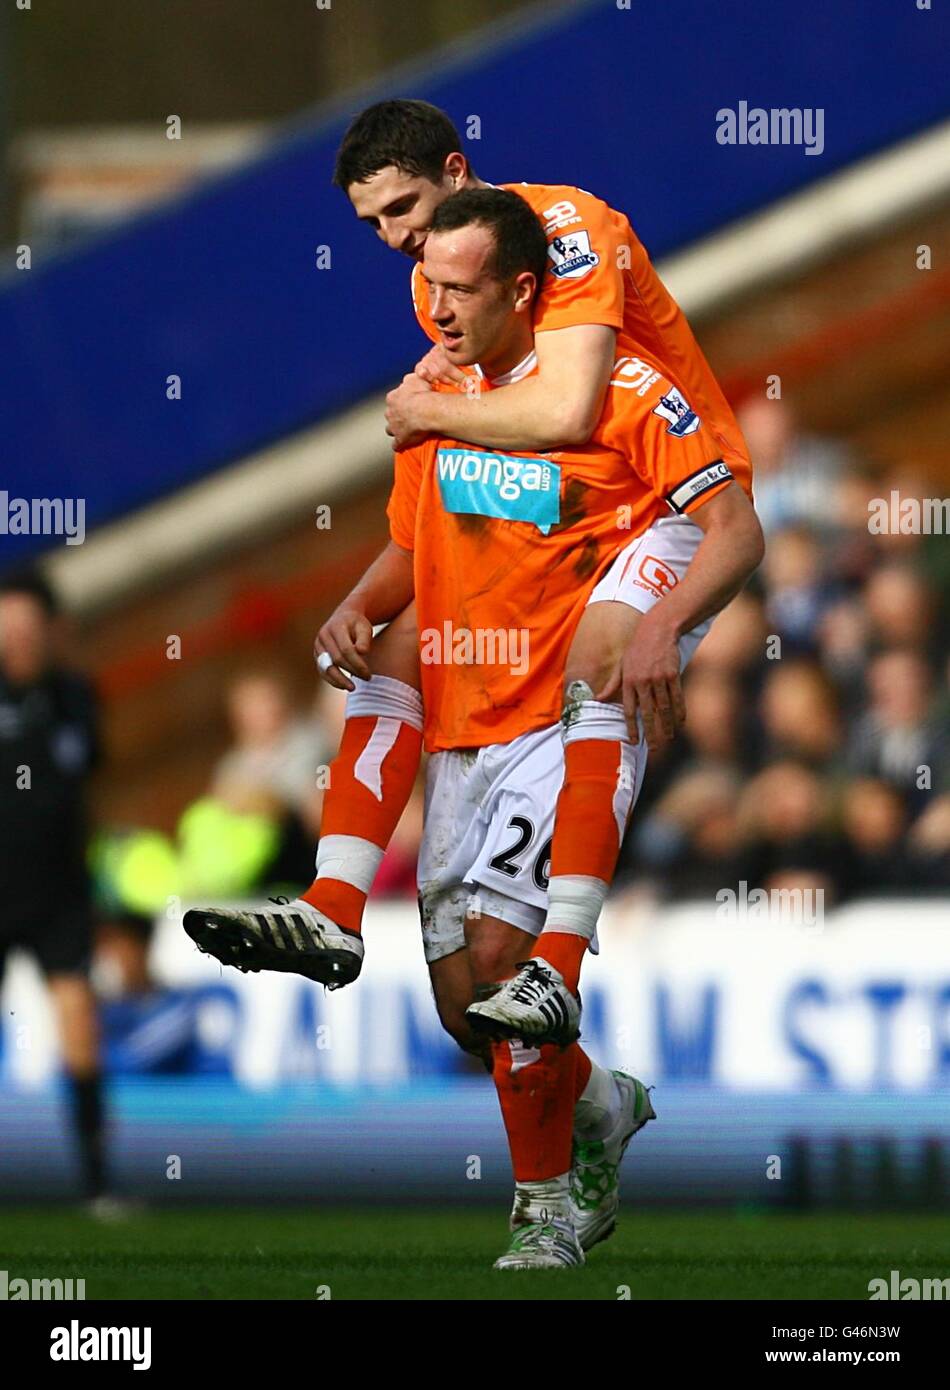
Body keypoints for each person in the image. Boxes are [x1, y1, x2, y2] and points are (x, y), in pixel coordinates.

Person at [185, 190, 764, 1268]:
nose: (434, 305)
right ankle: (587, 1094)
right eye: (429, 284)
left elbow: (731, 528)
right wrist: (358, 599)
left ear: (523, 289)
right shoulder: (431, 398)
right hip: (466, 708)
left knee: (507, 966)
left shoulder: (625, 389)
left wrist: (662, 623)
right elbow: (415, 543)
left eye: (458, 287)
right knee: (468, 1013)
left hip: (560, 707)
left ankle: (547, 1203)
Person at [280, 97, 755, 1035]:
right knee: (403, 644)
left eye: (404, 208)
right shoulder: (436, 284)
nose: (392, 240)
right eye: (372, 223)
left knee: (604, 654)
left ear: (458, 173)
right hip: (557, 508)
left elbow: (574, 408)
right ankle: (334, 903)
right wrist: (369, 592)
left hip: (661, 497)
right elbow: (464, 456)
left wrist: (428, 413)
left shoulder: (564, 227)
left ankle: (561, 957)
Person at [0, 569, 117, 1212]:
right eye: (5, 625)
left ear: (50, 630)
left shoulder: (76, 696)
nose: (15, 638)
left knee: (79, 1019)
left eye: (25, 625)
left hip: (58, 895)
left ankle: (97, 1182)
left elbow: (87, 786)